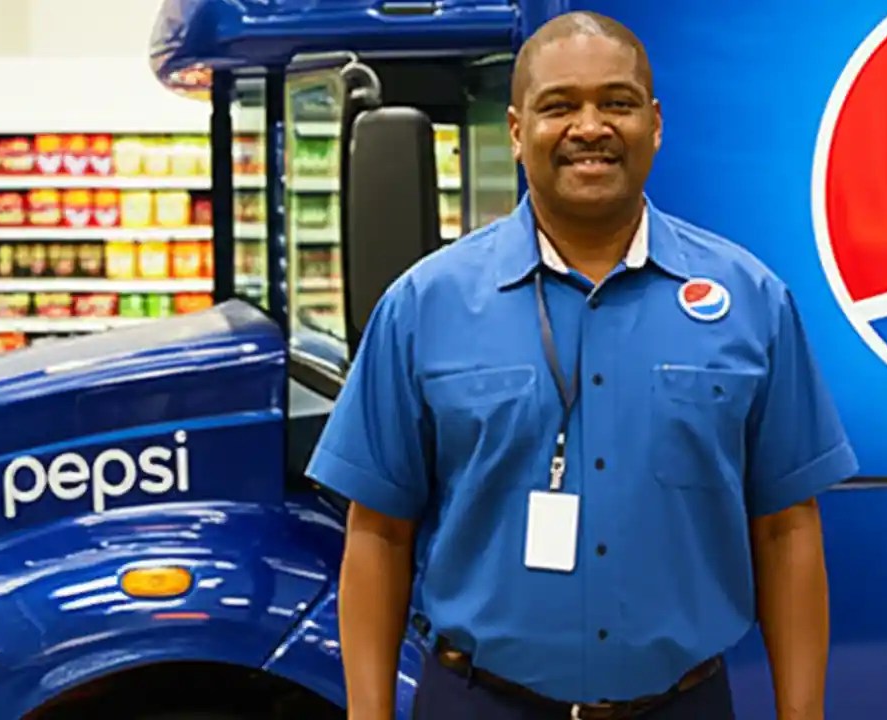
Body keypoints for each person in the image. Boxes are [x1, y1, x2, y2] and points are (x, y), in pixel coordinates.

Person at [306, 10, 858, 720]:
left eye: (617, 103)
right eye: (559, 106)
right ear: (515, 131)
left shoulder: (752, 302)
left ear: (654, 124)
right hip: (478, 703)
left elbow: (787, 528)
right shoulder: (422, 307)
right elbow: (379, 533)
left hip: (682, 706)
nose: (589, 127)